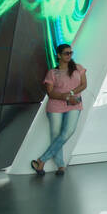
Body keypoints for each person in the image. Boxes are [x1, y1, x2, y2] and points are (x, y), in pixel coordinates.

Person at [32, 42, 86, 176]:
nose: (69, 55)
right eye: (66, 53)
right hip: (56, 106)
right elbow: (51, 93)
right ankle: (61, 165)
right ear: (59, 55)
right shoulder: (53, 72)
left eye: (71, 53)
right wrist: (66, 97)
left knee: (68, 132)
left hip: (75, 104)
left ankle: (41, 160)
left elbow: (84, 84)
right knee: (56, 135)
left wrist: (71, 94)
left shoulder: (78, 68)